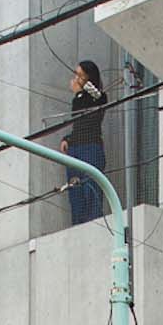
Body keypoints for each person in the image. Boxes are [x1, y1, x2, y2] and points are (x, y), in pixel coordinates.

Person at [62, 58, 108, 225]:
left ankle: (93, 224)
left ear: (89, 77)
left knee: (91, 188)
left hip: (91, 147)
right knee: (75, 191)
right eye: (76, 75)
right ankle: (78, 225)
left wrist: (79, 94)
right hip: (76, 149)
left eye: (80, 75)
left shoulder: (98, 96)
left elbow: (89, 117)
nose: (76, 79)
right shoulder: (81, 97)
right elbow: (79, 124)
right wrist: (67, 139)